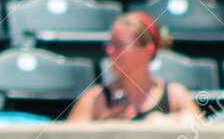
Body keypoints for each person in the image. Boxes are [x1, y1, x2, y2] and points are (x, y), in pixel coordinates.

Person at [67, 12, 203, 123]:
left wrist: (165, 122)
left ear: (147, 50)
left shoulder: (175, 95)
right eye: (109, 44)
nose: (109, 50)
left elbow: (200, 134)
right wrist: (106, 126)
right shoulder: (94, 98)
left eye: (119, 45)